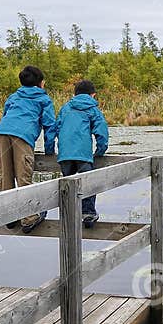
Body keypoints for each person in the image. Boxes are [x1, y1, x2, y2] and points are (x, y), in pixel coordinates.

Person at [0, 65, 56, 233]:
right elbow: (50, 125)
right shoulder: (43, 99)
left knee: (4, 177)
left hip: (2, 133)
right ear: (40, 84)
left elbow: (5, 115)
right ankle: (29, 218)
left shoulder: (14, 96)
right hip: (22, 136)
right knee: (24, 177)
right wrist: (49, 149)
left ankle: (9, 216)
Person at [55, 79, 109, 228]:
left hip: (65, 154)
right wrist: (100, 151)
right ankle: (88, 213)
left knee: (67, 184)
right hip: (83, 154)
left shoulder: (65, 108)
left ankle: (69, 214)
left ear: (75, 94)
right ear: (93, 95)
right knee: (88, 184)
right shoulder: (92, 109)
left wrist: (51, 148)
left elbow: (56, 128)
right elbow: (101, 132)